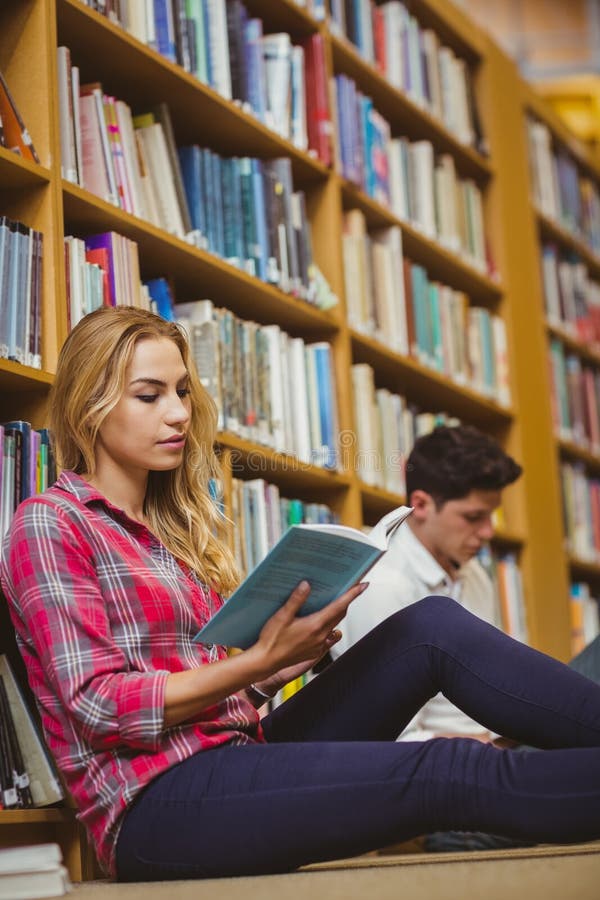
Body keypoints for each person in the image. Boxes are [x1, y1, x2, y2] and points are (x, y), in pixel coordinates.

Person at [3, 307, 600, 884]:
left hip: (236, 751)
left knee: (430, 628)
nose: (178, 413)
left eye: (183, 392)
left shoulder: (171, 529)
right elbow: (99, 705)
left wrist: (271, 669)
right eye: (149, 394)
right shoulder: (51, 524)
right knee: (446, 769)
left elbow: (215, 700)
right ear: (91, 406)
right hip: (154, 806)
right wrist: (255, 664)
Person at [334, 424, 523, 745]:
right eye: (474, 517)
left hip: (492, 745)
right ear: (420, 505)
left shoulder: (475, 574)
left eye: (492, 516)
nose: (489, 532)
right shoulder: (379, 584)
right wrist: (483, 744)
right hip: (438, 763)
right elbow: (388, 738)